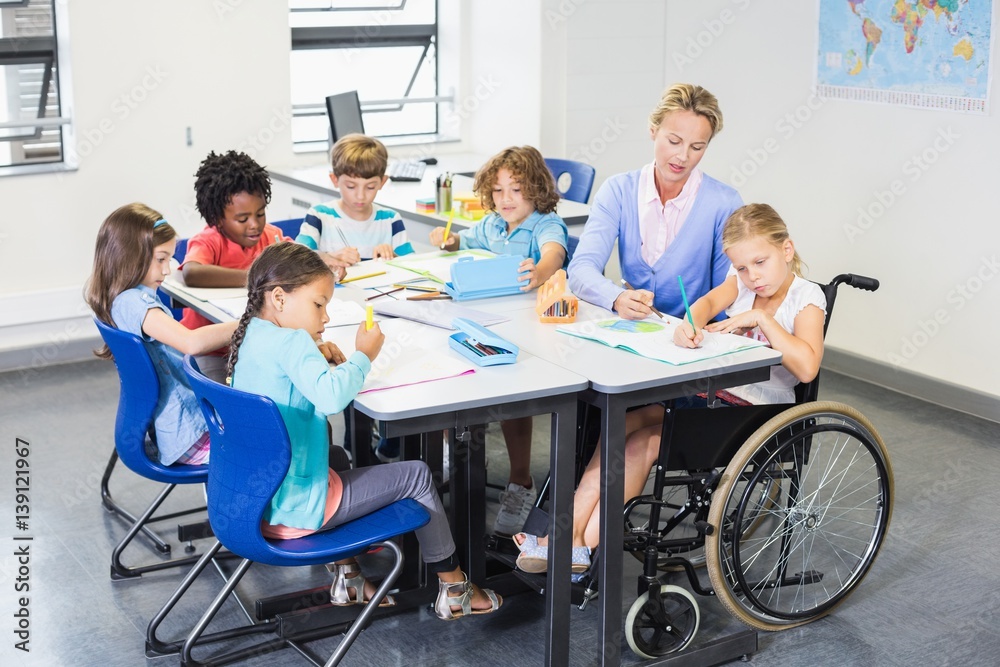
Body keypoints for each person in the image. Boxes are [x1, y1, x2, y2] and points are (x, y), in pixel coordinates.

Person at [514, 203, 827, 575]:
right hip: (716, 396)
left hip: (755, 414)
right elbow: (710, 301)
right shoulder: (742, 284)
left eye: (760, 263)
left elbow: (807, 368)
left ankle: (575, 541)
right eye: (742, 267)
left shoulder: (805, 299)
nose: (752, 277)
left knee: (645, 443)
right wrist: (690, 324)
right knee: (621, 422)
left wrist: (760, 318)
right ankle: (570, 537)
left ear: (786, 250)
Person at [227, 242, 500, 619]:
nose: (324, 317)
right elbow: (332, 398)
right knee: (418, 476)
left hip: (257, 503)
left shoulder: (254, 335)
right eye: (319, 305)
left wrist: (318, 357)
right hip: (296, 512)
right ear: (278, 298)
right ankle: (456, 589)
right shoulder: (293, 341)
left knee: (337, 456)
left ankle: (350, 577)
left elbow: (295, 388)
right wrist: (363, 355)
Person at [429, 145, 569, 536]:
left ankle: (520, 480)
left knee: (513, 403)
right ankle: (459, 466)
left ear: (537, 190)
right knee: (449, 371)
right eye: (498, 190)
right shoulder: (490, 225)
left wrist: (539, 271)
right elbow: (466, 244)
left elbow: (554, 255)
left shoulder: (544, 224)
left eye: (516, 190)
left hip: (530, 335)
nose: (505, 199)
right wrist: (452, 243)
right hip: (487, 324)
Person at [567, 83, 743, 320]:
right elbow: (581, 269)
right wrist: (616, 298)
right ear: (653, 130)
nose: (683, 156)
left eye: (697, 147)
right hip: (633, 333)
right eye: (674, 141)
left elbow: (730, 291)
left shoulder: (724, 203)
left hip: (696, 340)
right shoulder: (617, 191)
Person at [85, 203, 238, 466]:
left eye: (170, 259)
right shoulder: (136, 305)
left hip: (177, 429)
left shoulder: (119, 299)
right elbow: (192, 343)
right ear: (129, 255)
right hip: (189, 437)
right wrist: (248, 320)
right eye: (161, 259)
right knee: (270, 445)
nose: (167, 270)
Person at [179, 150, 287, 381]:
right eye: (242, 219)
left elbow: (296, 263)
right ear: (217, 217)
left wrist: (326, 260)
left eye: (260, 214)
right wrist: (254, 278)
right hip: (211, 351)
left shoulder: (272, 236)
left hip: (255, 347)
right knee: (225, 403)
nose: (254, 225)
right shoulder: (209, 240)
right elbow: (192, 272)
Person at [296, 133, 414, 269]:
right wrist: (329, 257)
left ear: (382, 182)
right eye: (351, 186)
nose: (360, 196)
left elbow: (413, 265)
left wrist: (393, 257)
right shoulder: (319, 216)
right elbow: (297, 260)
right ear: (335, 180)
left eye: (370, 187)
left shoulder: (391, 219)